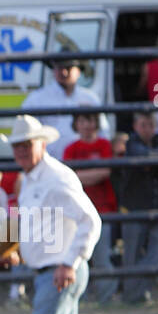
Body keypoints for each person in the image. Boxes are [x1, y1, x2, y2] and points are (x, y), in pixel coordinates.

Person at [1, 115, 154, 314]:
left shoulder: (55, 178)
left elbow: (91, 221)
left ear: (41, 144)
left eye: (27, 145)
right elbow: (41, 225)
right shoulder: (33, 179)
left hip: (60, 272)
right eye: (18, 147)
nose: (22, 152)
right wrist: (21, 251)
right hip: (54, 270)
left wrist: (69, 262)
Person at [113, 110, 158, 304]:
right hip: (134, 208)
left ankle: (134, 293)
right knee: (132, 255)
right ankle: (132, 298)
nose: (147, 129)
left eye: (150, 125)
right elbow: (141, 154)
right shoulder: (132, 143)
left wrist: (155, 156)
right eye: (143, 125)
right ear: (136, 126)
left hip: (156, 208)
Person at [62, 111, 120, 303]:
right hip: (78, 213)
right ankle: (79, 299)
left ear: (96, 124)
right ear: (76, 124)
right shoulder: (71, 148)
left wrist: (78, 176)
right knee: (78, 258)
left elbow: (104, 172)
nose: (86, 125)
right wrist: (91, 174)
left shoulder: (103, 145)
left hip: (103, 209)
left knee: (102, 257)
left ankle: (105, 298)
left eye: (90, 120)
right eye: (82, 120)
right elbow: (68, 178)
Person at [22, 51, 109, 160]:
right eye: (59, 67)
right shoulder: (36, 99)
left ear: (78, 71)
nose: (63, 72)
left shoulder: (90, 98)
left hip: (84, 165)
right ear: (53, 70)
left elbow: (102, 131)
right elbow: (25, 133)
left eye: (68, 67)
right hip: (51, 164)